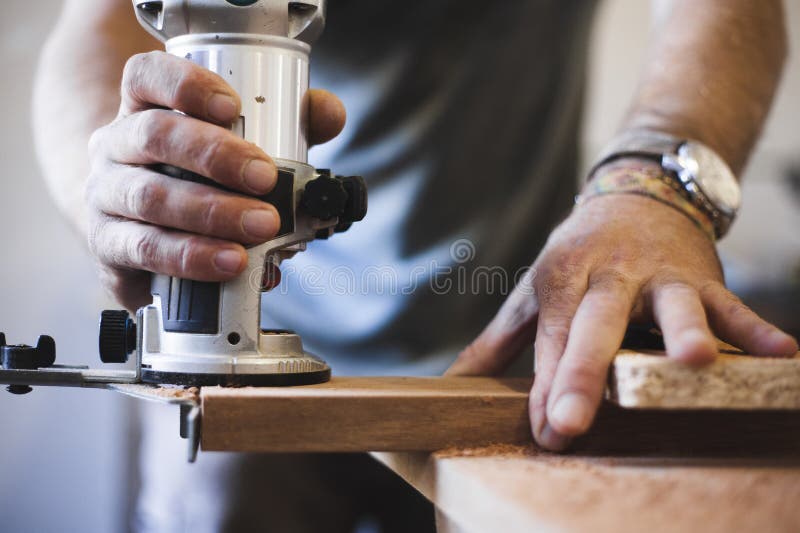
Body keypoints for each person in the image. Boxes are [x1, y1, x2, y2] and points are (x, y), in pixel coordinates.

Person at [34, 0, 798, 531]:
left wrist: (652, 185)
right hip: (246, 349)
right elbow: (94, 32)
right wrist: (113, 197)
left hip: (511, 343)